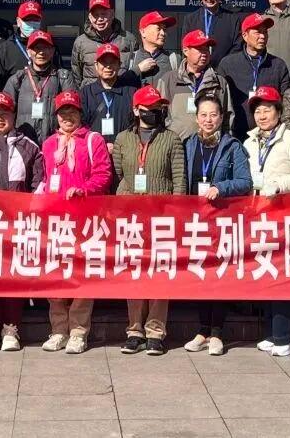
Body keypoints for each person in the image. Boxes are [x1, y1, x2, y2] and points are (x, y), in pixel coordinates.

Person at [36, 90, 111, 355]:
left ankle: (78, 331)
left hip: (84, 218)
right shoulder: (48, 144)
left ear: (80, 113)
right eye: (63, 112)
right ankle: (58, 329)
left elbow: (103, 175)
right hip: (56, 219)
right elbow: (44, 178)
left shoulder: (93, 140)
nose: (67, 117)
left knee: (82, 274)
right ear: (56, 116)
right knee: (55, 273)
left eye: (72, 111)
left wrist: (84, 190)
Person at [111, 86, 185, 356]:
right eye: (148, 109)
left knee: (159, 274)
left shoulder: (171, 139)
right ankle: (134, 330)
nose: (154, 112)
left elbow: (179, 180)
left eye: (157, 109)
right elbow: (119, 174)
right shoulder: (123, 139)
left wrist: (176, 213)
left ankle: (155, 331)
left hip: (161, 216)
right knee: (134, 273)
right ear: (136, 110)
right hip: (131, 216)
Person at [242, 86, 290, 357]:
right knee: (264, 273)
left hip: (285, 217)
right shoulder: (249, 143)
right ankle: (271, 333)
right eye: (258, 111)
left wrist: (279, 185)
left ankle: (285, 336)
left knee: (282, 276)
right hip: (258, 218)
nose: (262, 115)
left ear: (279, 111)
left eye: (268, 109)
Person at [182, 95, 251, 356]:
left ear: (221, 118)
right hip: (196, 220)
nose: (208, 120)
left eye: (213, 115)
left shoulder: (232, 146)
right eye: (203, 115)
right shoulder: (188, 144)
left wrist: (221, 187)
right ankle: (202, 330)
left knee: (219, 274)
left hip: (222, 219)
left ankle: (217, 332)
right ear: (196, 118)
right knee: (200, 274)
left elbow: (245, 181)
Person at [218, 13, 290, 139]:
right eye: (257, 32)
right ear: (245, 36)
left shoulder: (278, 65)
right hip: (235, 134)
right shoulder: (228, 64)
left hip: (270, 135)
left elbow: (285, 103)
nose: (262, 36)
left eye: (265, 32)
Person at [2, 30, 76, 143]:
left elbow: (72, 113)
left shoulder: (64, 78)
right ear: (28, 51)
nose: (41, 52)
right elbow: (5, 114)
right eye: (36, 48)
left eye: (45, 48)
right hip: (23, 144)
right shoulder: (17, 79)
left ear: (52, 51)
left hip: (54, 144)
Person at [160, 30, 229, 140]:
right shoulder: (168, 80)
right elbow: (160, 116)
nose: (204, 53)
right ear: (186, 51)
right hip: (177, 145)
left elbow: (227, 117)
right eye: (200, 49)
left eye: (207, 49)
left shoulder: (219, 82)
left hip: (211, 145)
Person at [71, 0, 137, 85]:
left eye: (104, 14)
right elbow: (76, 76)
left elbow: (135, 71)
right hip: (91, 93)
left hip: (122, 92)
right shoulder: (80, 42)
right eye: (96, 15)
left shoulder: (129, 39)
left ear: (112, 14)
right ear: (90, 17)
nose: (100, 19)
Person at [80, 44, 137, 145]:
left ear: (119, 65)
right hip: (95, 150)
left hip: (124, 149)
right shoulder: (86, 93)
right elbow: (81, 126)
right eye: (104, 62)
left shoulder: (131, 92)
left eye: (113, 62)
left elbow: (136, 125)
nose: (108, 66)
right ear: (96, 65)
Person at [180, 0, 241, 65]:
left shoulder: (233, 19)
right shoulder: (190, 19)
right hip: (198, 69)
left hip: (224, 70)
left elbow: (237, 47)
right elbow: (185, 46)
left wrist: (224, 66)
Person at [126, 11, 179, 89]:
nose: (163, 33)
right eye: (158, 29)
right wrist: (138, 69)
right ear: (143, 32)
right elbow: (117, 85)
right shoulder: (130, 59)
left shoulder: (174, 59)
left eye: (164, 29)